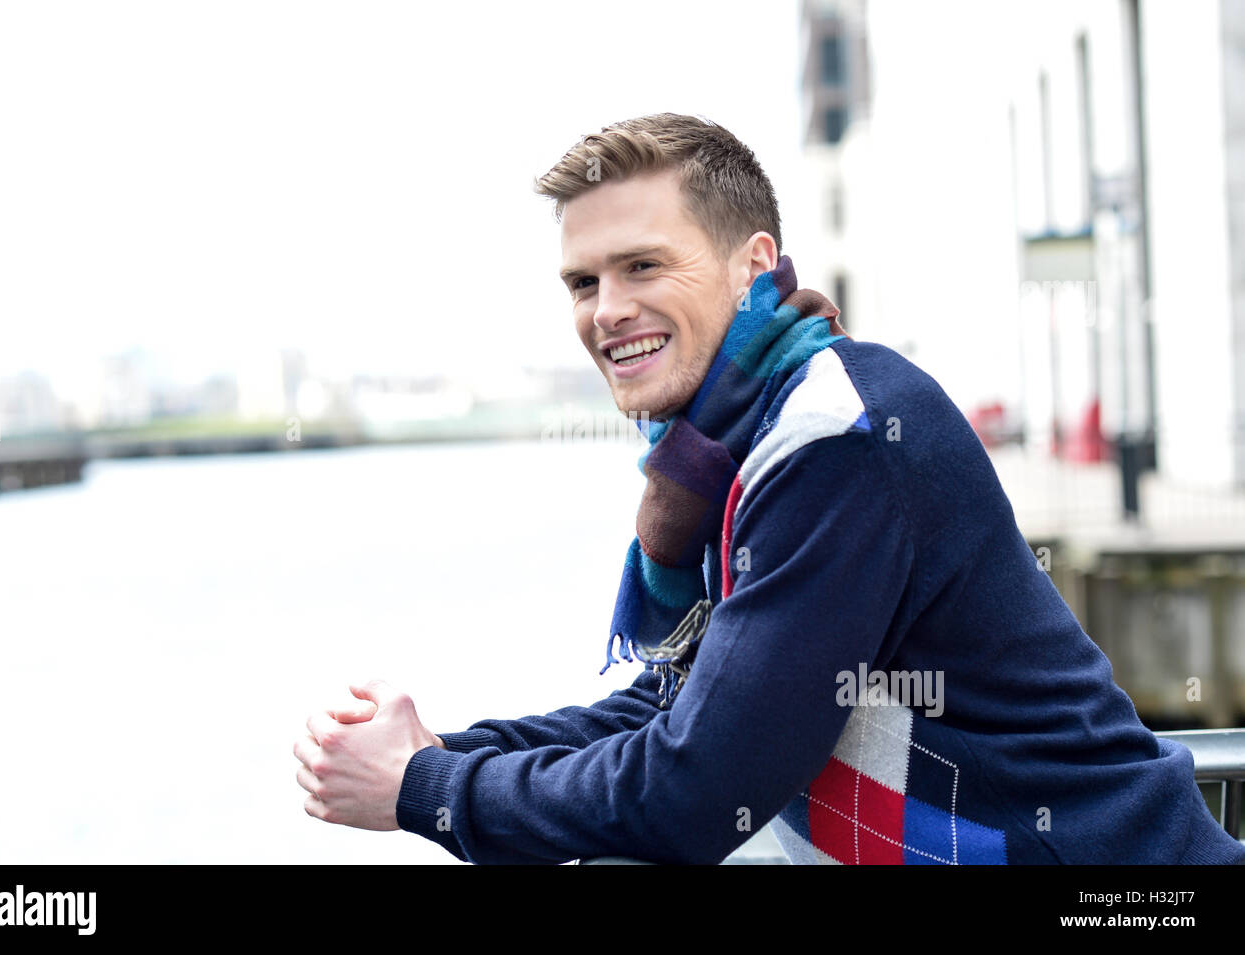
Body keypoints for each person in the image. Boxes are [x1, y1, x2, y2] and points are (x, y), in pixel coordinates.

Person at [293, 112, 1245, 865]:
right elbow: (682, 706)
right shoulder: (726, 452)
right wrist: (443, 755)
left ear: (753, 264)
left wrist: (425, 790)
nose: (608, 309)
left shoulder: (839, 438)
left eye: (643, 265)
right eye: (582, 282)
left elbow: (698, 789)